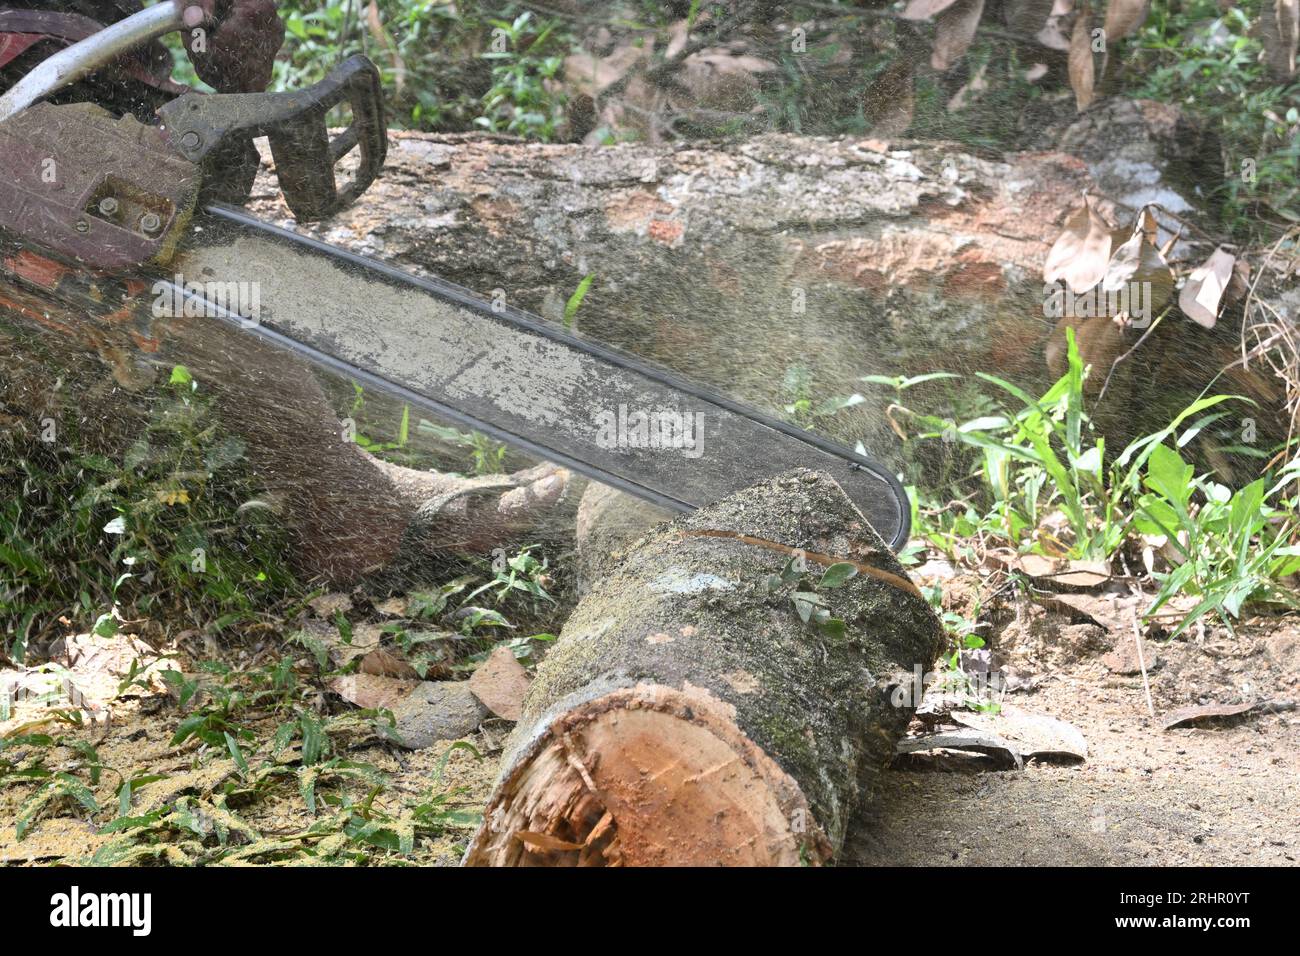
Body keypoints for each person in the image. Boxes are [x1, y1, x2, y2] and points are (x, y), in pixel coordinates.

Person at [0, 1, 570, 586]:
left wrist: (224, 22)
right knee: (145, 268)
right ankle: (347, 503)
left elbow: (227, 50)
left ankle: (343, 501)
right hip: (29, 93)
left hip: (78, 67)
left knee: (183, 254)